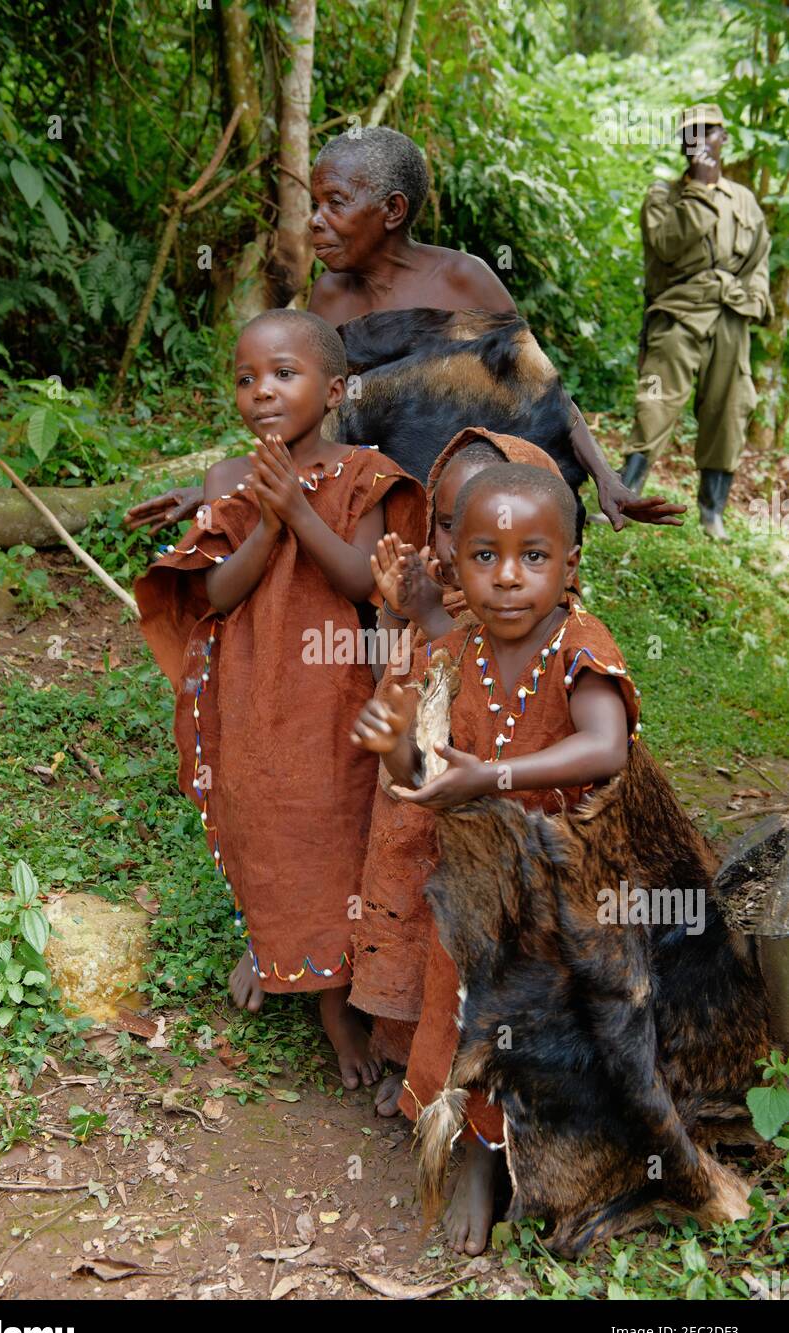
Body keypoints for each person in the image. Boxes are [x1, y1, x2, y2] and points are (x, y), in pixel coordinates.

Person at [124, 127, 684, 538]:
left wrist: (606, 477)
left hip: (473, 510)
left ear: (392, 210)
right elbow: (316, 417)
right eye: (315, 204)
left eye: (335, 203)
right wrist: (223, 488)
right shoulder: (329, 297)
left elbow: (540, 388)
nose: (316, 219)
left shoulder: (462, 279)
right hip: (382, 513)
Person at [351, 458, 640, 1253]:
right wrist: (398, 751)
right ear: (453, 565)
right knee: (475, 1027)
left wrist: (498, 775)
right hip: (477, 896)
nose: (508, 579)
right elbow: (429, 775)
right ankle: (479, 1159)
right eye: (485, 557)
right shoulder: (455, 656)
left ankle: (562, 1166)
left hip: (564, 895)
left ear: (570, 565)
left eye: (534, 558)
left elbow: (605, 745)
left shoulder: (579, 647)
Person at [134, 309, 425, 1089]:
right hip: (253, 685)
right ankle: (298, 972)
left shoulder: (364, 472)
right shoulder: (229, 481)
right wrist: (265, 522)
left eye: (283, 375)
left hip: (333, 684)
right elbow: (219, 593)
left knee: (337, 820)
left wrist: (299, 510)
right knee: (262, 816)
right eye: (245, 378)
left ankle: (342, 989)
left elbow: (362, 580)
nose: (262, 391)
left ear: (333, 390)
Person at [350, 427, 564, 1116]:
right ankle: (406, 1052)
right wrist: (392, 607)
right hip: (417, 793)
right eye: (446, 524)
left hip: (494, 820)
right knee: (409, 912)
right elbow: (401, 669)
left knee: (466, 946)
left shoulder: (540, 620)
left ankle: (468, 1084)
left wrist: (424, 609)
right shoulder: (435, 592)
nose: (454, 543)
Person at [620, 103, 772, 540]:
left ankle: (712, 512)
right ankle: (627, 494)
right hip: (679, 311)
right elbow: (667, 247)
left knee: (730, 409)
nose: (702, 142)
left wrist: (755, 298)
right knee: (656, 402)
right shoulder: (662, 196)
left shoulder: (744, 200)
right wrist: (701, 191)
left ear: (723, 140)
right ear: (683, 146)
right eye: (692, 135)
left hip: (731, 314)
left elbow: (759, 257)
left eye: (710, 133)